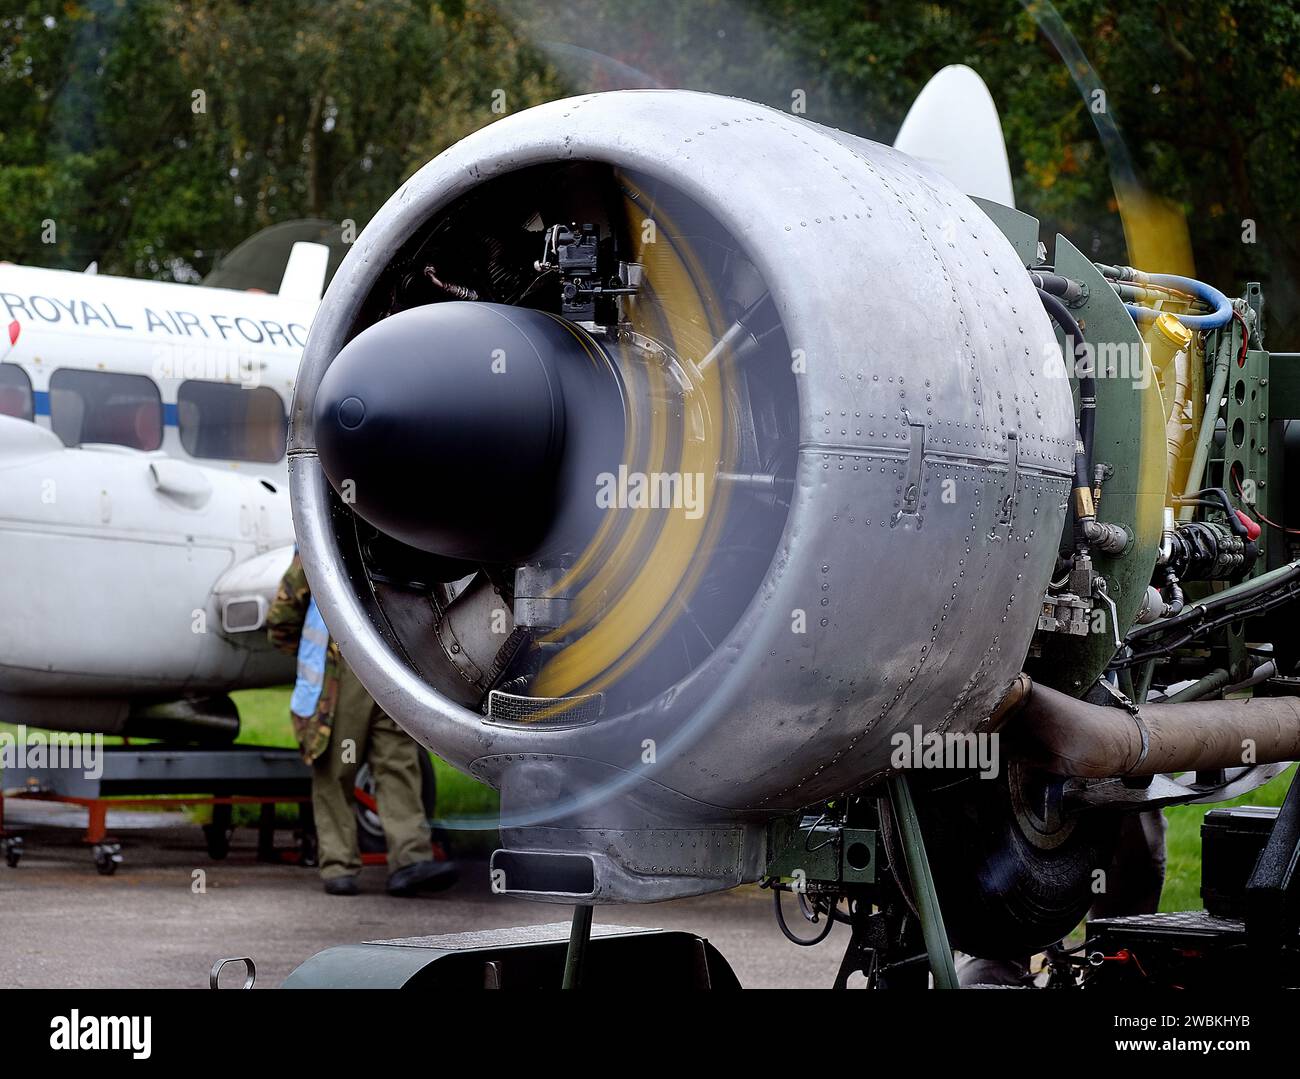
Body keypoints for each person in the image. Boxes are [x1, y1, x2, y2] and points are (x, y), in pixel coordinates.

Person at [267, 552, 457, 897]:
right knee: (374, 766)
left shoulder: (332, 529)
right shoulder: (385, 531)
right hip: (367, 666)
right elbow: (283, 620)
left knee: (385, 763)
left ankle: (394, 864)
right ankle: (386, 862)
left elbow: (283, 614)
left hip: (381, 665)